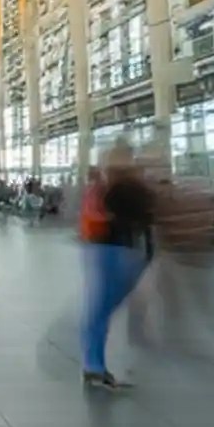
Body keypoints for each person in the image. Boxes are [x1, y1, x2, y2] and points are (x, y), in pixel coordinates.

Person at [79, 162, 152, 390]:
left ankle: (94, 365)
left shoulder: (106, 191)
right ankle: (94, 366)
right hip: (115, 251)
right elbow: (139, 222)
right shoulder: (115, 191)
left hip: (110, 250)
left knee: (101, 308)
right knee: (102, 308)